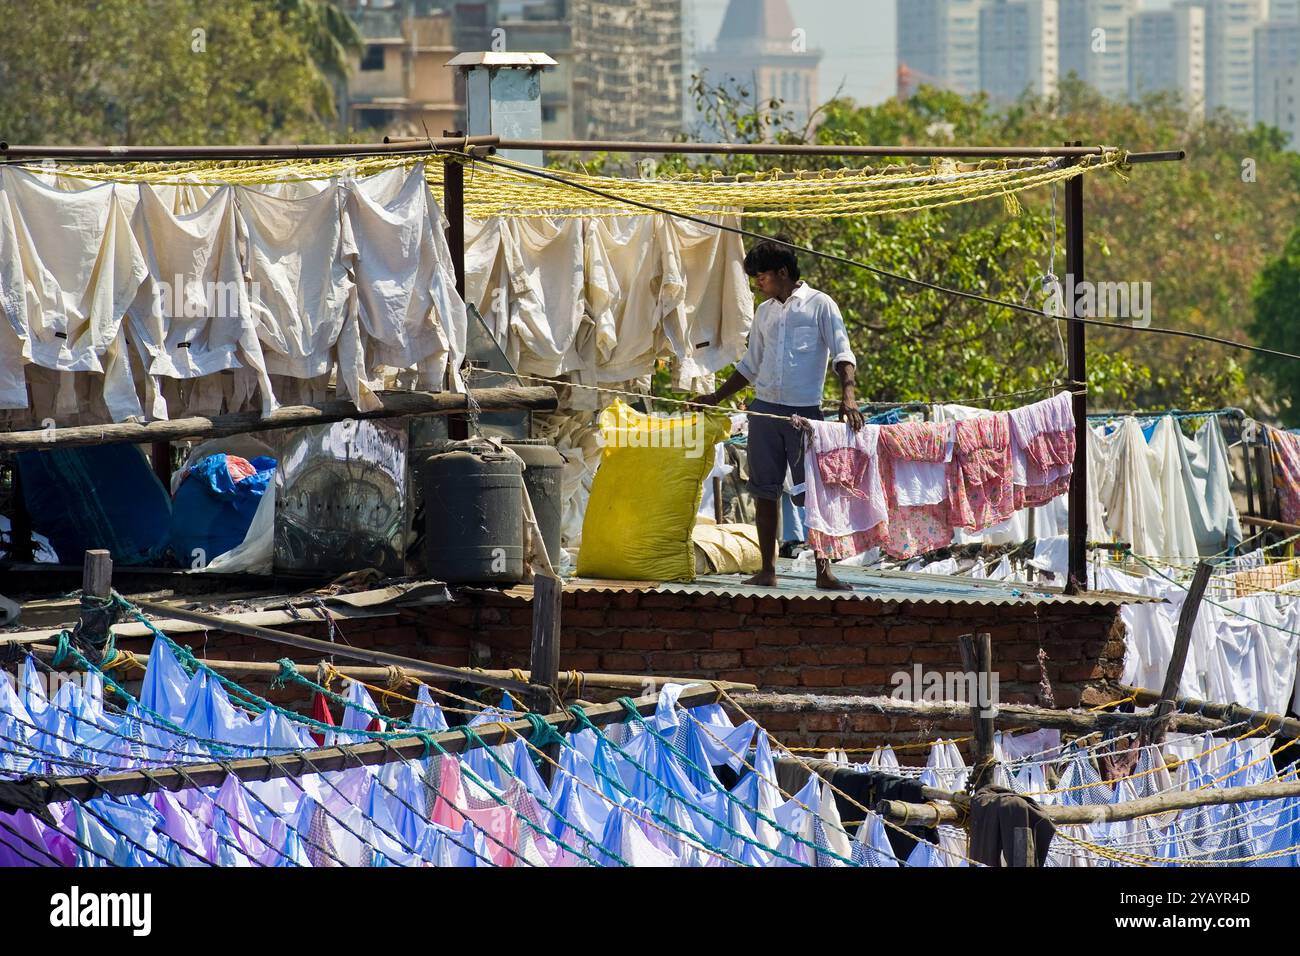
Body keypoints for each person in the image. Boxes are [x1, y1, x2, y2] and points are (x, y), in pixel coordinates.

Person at [692, 239, 862, 590]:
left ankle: (823, 571)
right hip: (764, 412)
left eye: (762, 276)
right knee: (764, 491)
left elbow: (842, 353)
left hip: (804, 414)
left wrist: (849, 397)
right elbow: (750, 365)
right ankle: (768, 570)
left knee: (813, 495)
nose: (758, 282)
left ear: (782, 273)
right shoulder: (765, 311)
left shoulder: (821, 305)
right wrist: (715, 396)